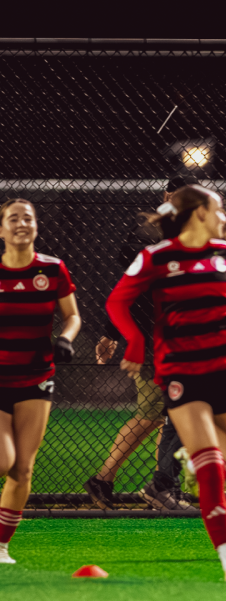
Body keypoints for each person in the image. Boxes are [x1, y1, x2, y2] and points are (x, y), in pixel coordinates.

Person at [107, 185, 226, 582]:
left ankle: (194, 458)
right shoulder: (156, 257)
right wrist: (136, 340)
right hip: (180, 373)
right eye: (218, 208)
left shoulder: (224, 253)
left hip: (225, 369)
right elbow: (116, 302)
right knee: (212, 473)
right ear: (198, 212)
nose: (224, 215)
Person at [91, 174, 197, 512]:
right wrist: (111, 332)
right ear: (167, 195)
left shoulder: (190, 236)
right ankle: (104, 479)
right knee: (152, 414)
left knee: (174, 415)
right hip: (152, 341)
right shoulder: (149, 233)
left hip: (180, 339)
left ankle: (163, 488)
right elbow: (129, 286)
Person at [0, 199, 81, 564]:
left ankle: (0, 547)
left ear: (36, 227)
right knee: (3, 460)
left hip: (37, 377)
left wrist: (66, 338)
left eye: (27, 218)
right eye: (13, 218)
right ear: (1, 229)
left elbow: (73, 316)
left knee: (23, 468)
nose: (21, 223)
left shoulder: (52, 268)